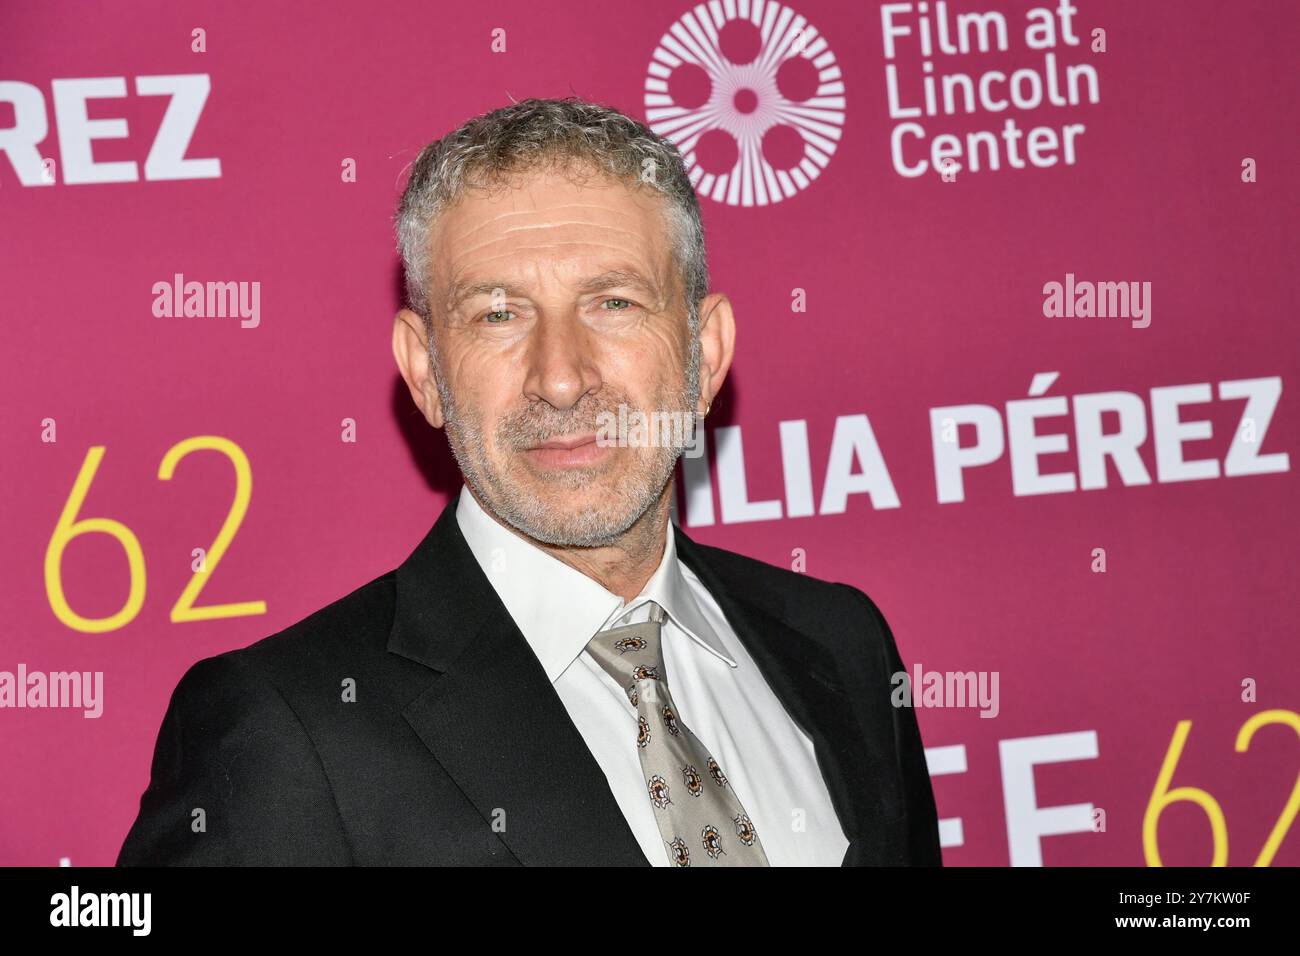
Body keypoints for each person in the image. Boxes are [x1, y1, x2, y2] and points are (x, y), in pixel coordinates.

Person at [117, 97, 941, 866]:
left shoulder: (843, 647)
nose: (560, 377)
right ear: (425, 372)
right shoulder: (288, 729)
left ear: (706, 354)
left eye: (613, 302)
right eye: (498, 315)